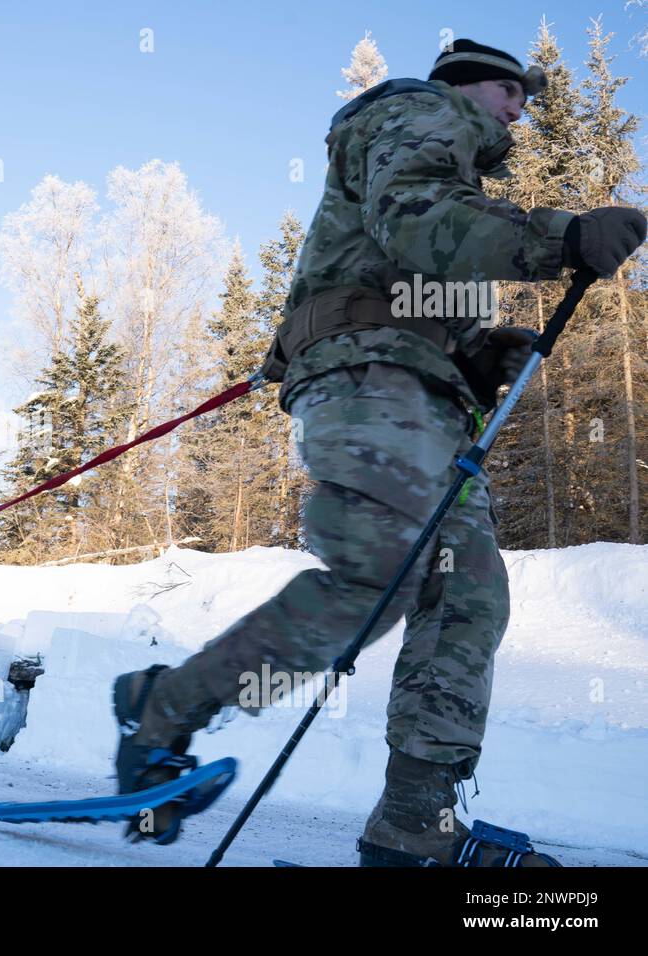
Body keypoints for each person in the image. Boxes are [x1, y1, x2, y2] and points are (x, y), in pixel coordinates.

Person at [112, 39, 646, 865]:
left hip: (424, 396)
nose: (520, 111)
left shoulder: (454, 157)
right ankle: (165, 709)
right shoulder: (416, 112)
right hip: (367, 377)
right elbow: (416, 216)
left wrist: (478, 349)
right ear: (469, 84)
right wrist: (562, 238)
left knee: (465, 595)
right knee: (381, 570)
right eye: (512, 91)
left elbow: (412, 275)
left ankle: (414, 822)